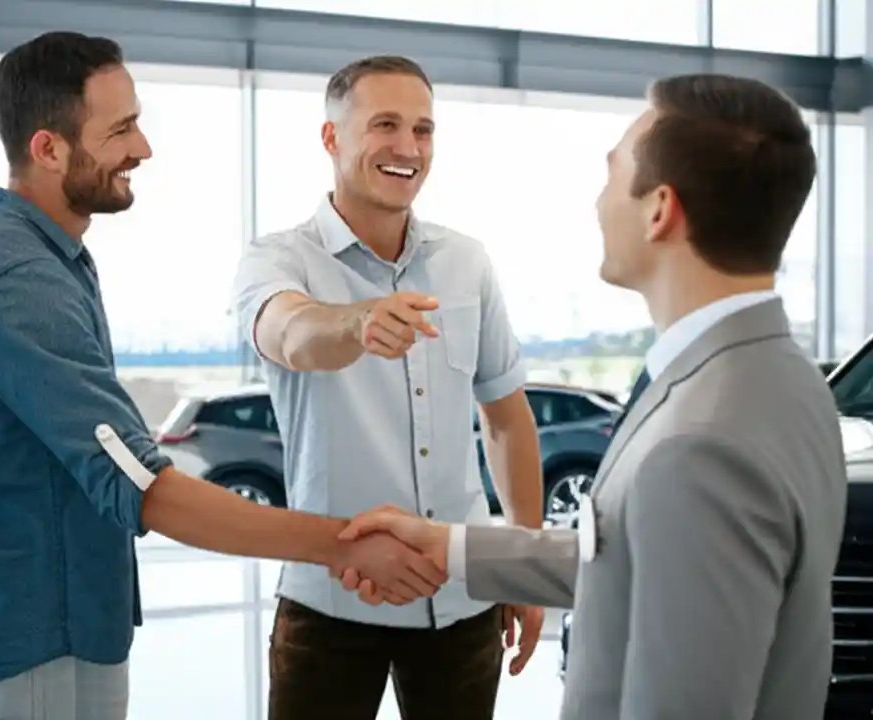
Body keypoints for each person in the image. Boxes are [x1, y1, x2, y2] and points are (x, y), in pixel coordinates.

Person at [0, 32, 446, 720]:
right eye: (122, 129)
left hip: (71, 624)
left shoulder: (52, 259)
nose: (143, 148)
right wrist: (344, 545)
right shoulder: (16, 279)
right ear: (48, 149)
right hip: (37, 643)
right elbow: (143, 485)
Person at [339, 73, 847, 720]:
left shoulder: (699, 446)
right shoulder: (782, 377)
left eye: (612, 175)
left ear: (660, 210)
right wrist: (450, 547)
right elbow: (641, 560)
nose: (599, 201)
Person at [232, 55, 545, 720]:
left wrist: (523, 562)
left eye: (423, 130)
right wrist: (357, 322)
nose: (408, 148)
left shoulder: (468, 262)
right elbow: (289, 332)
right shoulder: (277, 259)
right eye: (385, 125)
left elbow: (507, 418)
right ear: (331, 139)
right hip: (331, 606)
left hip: (462, 599)